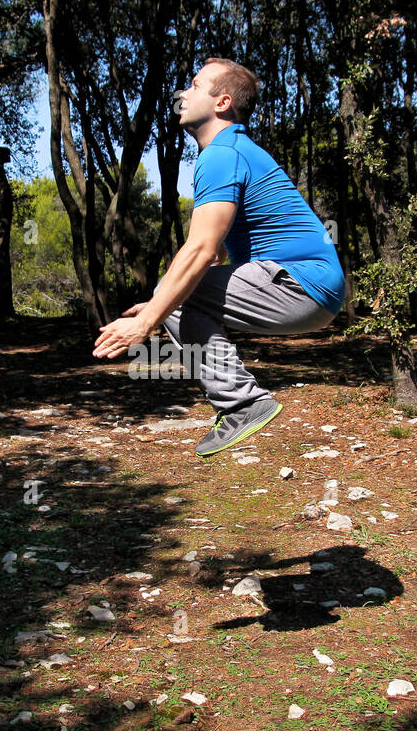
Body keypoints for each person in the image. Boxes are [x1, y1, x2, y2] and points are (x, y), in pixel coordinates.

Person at [93, 57, 344, 457]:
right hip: (309, 289)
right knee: (171, 297)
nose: (183, 93)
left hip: (299, 283)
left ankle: (244, 404)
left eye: (194, 85)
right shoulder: (233, 152)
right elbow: (218, 253)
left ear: (222, 102)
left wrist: (148, 321)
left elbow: (200, 249)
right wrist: (163, 302)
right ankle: (240, 405)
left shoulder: (223, 154)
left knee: (171, 296)